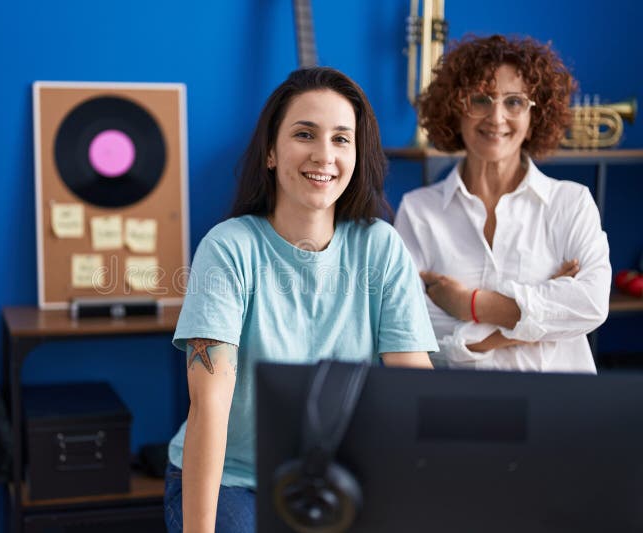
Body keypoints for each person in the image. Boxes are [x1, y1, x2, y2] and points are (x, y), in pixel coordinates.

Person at [164, 67, 438, 533]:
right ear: (271, 152)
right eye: (305, 134)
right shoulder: (229, 248)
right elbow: (209, 404)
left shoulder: (381, 247)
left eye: (341, 139)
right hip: (233, 481)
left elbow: (414, 385)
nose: (324, 155)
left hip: (337, 478)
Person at [394, 35, 611, 373]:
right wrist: (542, 311)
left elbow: (590, 305)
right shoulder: (418, 211)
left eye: (514, 102)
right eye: (480, 99)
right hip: (461, 412)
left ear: (534, 116)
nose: (496, 118)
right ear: (455, 109)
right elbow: (414, 329)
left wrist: (471, 305)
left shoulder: (572, 202)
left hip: (560, 411)